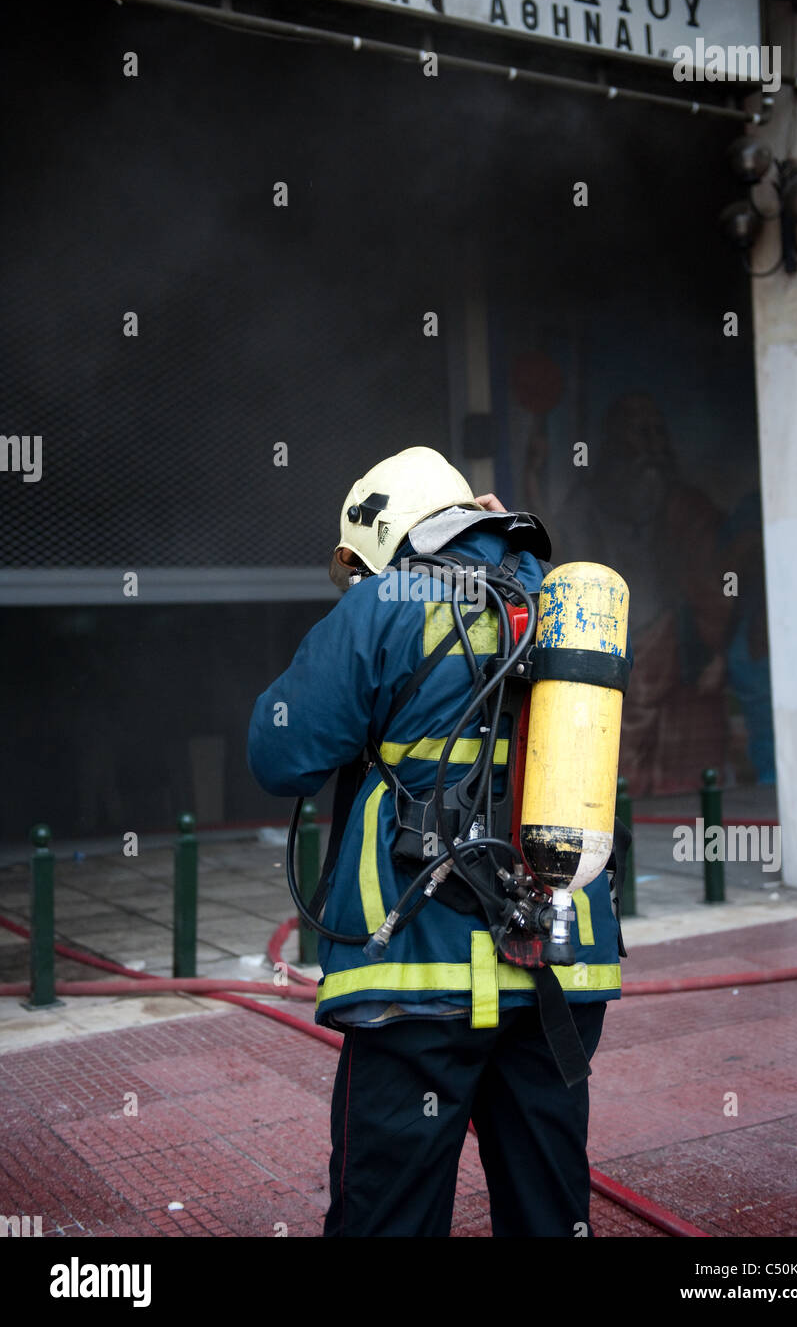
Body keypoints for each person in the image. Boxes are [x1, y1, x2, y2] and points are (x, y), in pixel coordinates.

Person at [247, 446, 629, 1238]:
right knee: (547, 1210)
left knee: (389, 1213)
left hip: (415, 975)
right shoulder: (558, 603)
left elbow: (279, 758)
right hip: (560, 963)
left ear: (382, 535)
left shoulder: (385, 602)